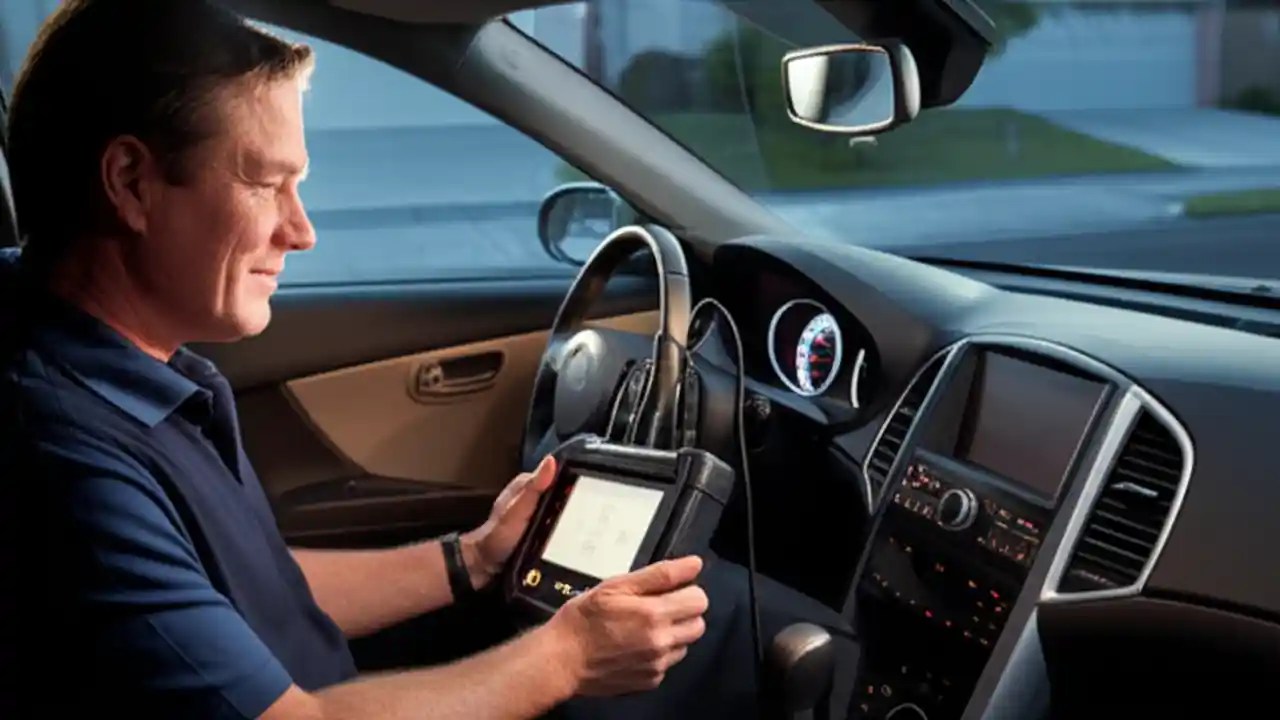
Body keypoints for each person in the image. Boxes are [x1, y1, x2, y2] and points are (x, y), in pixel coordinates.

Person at [0, 2, 848, 719]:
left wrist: (472, 558)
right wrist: (566, 659)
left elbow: (236, 596)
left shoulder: (127, 369)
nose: (301, 230)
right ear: (131, 183)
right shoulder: (64, 453)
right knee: (745, 636)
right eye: (266, 183)